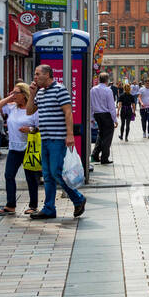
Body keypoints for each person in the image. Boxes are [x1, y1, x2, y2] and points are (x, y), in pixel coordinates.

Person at [28, 63, 87, 220]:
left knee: (56, 172)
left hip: (58, 139)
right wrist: (32, 94)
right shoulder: (40, 93)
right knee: (47, 175)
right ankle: (49, 208)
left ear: (47, 75)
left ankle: (78, 198)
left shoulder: (60, 90)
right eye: (35, 74)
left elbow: (68, 112)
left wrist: (70, 135)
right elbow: (29, 111)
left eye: (37, 74)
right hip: (45, 138)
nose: (35, 77)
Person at [0, 83, 40, 216]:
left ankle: (33, 206)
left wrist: (29, 129)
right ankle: (10, 205)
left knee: (31, 178)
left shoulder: (33, 110)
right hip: (14, 148)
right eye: (12, 92)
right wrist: (10, 98)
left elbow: (40, 128)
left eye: (16, 93)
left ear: (24, 94)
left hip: (28, 148)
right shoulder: (11, 108)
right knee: (9, 175)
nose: (13, 95)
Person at [90, 72, 118, 164]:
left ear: (99, 79)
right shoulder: (108, 90)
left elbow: (90, 104)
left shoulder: (93, 89)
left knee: (101, 134)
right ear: (107, 80)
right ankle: (104, 158)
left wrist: (91, 116)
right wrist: (115, 119)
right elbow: (111, 107)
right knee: (107, 137)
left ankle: (95, 154)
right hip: (106, 115)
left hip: (97, 115)